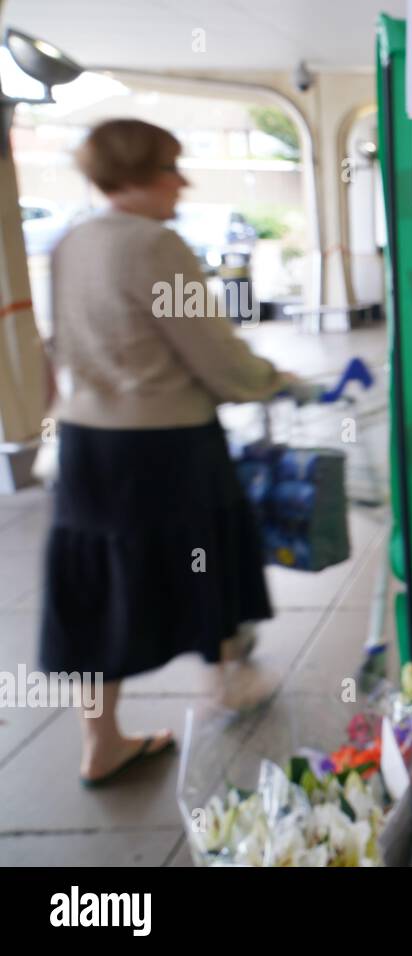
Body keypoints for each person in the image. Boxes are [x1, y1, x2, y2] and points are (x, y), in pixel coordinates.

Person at [40, 118, 303, 787]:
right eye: (171, 168)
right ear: (139, 175)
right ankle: (230, 681)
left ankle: (101, 742)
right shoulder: (159, 247)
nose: (181, 181)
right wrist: (273, 380)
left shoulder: (72, 242)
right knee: (203, 555)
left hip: (87, 445)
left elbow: (64, 344)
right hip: (166, 446)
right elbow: (212, 352)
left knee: (96, 584)